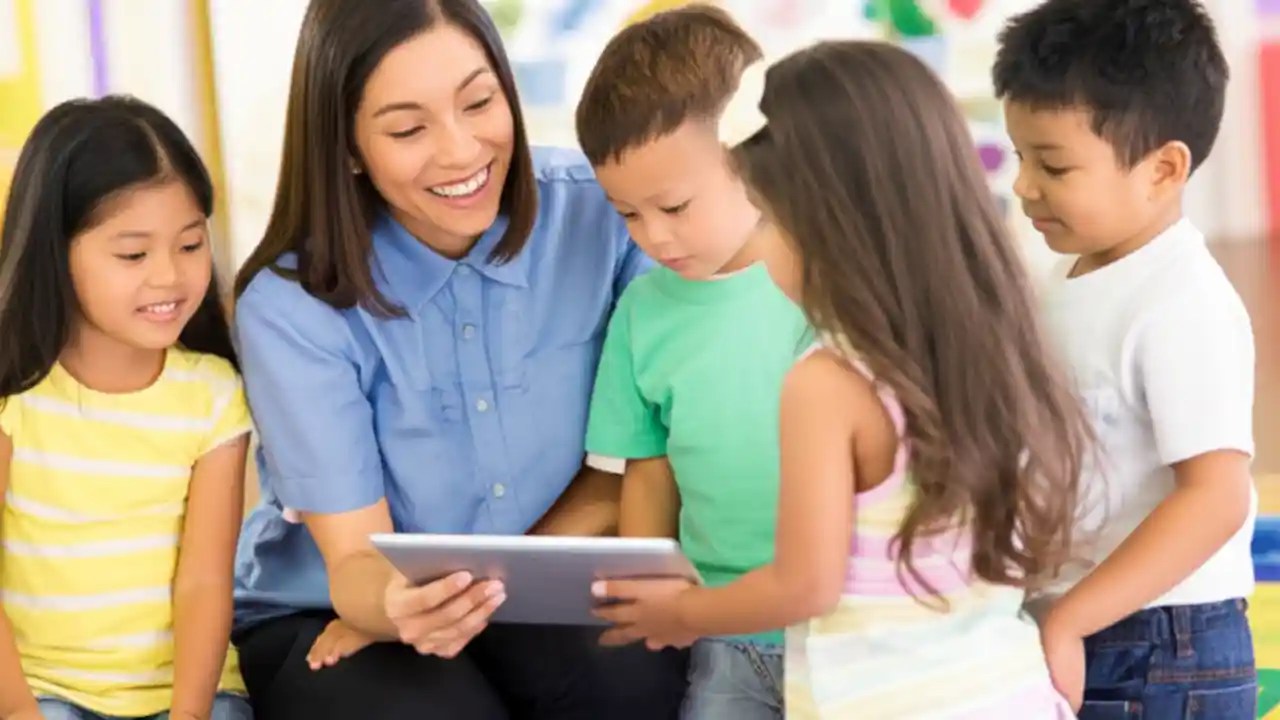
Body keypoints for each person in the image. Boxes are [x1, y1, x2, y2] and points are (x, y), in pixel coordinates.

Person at [591, 40, 1090, 719]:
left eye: (776, 217)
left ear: (827, 223)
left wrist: (684, 611)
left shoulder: (827, 382)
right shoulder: (994, 342)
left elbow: (807, 585)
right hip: (1009, 692)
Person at [228, 1, 686, 718]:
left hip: (544, 582)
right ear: (346, 148)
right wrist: (388, 605)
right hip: (335, 611)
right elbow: (352, 560)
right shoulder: (292, 305)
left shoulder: (606, 215)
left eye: (479, 102)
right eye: (409, 129)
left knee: (633, 680)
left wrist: (498, 586)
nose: (461, 151)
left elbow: (636, 458)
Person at [994, 1, 1258, 716]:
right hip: (1085, 618)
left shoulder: (1180, 301)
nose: (1023, 185)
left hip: (1163, 643)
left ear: (1162, 169)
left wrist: (1071, 617)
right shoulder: (1068, 278)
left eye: (1053, 164)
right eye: (1020, 156)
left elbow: (1216, 497)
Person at [573, 6, 810, 719]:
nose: (654, 236)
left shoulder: (836, 282)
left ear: (755, 156)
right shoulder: (643, 313)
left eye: (674, 205)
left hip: (842, 626)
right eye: (627, 214)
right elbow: (649, 470)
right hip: (719, 635)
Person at [0, 96, 252, 720]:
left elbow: (203, 583)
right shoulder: (14, 400)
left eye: (190, 245)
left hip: (194, 696)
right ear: (55, 252)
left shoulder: (214, 396)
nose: (169, 276)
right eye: (133, 255)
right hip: (44, 694)